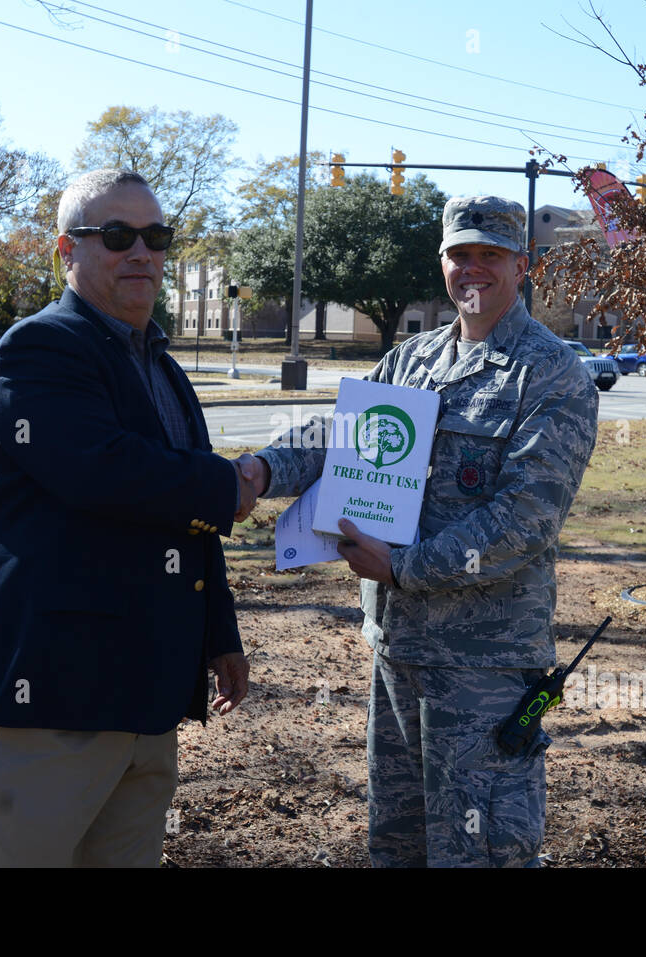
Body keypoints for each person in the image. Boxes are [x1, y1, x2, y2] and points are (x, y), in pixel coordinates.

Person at [238, 195, 599, 867]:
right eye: (460, 254)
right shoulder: (413, 362)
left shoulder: (551, 374)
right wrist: (260, 471)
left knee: (477, 852)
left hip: (481, 671)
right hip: (398, 652)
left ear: (522, 265)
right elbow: (338, 438)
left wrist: (404, 565)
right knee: (396, 845)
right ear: (442, 263)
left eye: (490, 255)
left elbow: (525, 521)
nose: (474, 268)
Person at [0, 168, 257, 867]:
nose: (143, 253)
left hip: (148, 695)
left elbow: (184, 514)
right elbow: (101, 469)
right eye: (118, 235)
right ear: (67, 249)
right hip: (56, 695)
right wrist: (229, 481)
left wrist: (219, 631)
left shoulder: (160, 361)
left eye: (157, 236)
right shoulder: (38, 348)